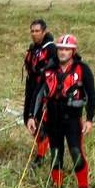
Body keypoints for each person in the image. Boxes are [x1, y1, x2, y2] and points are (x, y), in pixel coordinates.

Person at [26, 34, 95, 188]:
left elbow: (92, 96)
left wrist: (90, 119)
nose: (63, 52)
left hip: (72, 118)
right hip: (52, 118)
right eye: (60, 49)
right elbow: (37, 94)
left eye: (66, 49)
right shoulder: (48, 69)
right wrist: (31, 116)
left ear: (73, 51)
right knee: (56, 154)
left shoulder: (82, 69)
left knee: (76, 152)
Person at [22, 19, 57, 170]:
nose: (34, 34)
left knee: (39, 121)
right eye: (32, 31)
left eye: (37, 31)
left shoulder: (51, 49)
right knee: (27, 118)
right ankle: (43, 146)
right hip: (31, 87)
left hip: (43, 88)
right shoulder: (33, 48)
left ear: (44, 31)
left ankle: (41, 155)